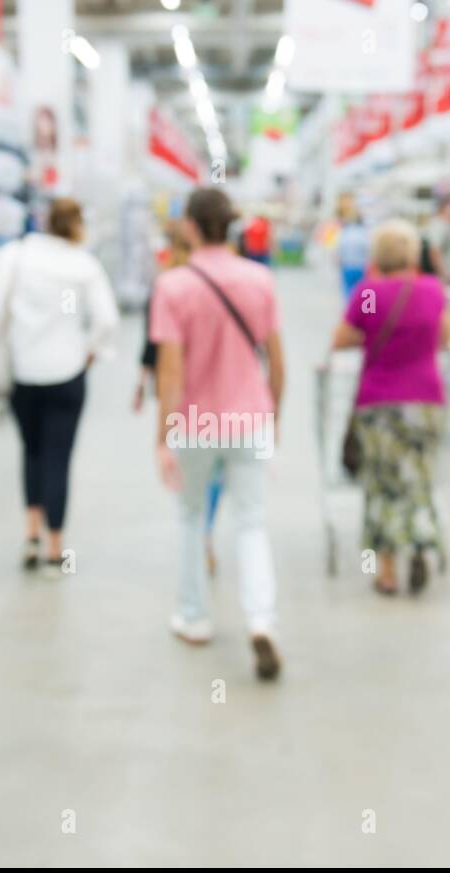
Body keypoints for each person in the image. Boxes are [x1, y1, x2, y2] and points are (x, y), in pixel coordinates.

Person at [151, 188, 286, 680]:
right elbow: (277, 361)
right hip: (249, 417)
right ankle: (262, 621)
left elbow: (169, 370)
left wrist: (162, 435)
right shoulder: (260, 280)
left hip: (196, 420)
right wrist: (276, 418)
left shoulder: (173, 287)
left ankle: (195, 617)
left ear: (189, 226)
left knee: (190, 518)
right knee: (251, 522)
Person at [0, 197, 119, 578]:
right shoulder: (83, 265)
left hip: (24, 372)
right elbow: (106, 320)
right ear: (76, 225)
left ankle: (30, 533)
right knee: (59, 457)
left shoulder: (16, 256)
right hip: (67, 373)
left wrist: (3, 341)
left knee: (31, 451)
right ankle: (55, 548)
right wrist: (92, 353)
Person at [330, 219, 450, 597]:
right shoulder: (433, 291)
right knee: (419, 479)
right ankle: (420, 544)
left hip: (379, 400)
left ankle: (386, 570)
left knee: (382, 484)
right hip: (426, 400)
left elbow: (342, 339)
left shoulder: (369, 293)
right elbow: (445, 335)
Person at [135, 221, 225, 576]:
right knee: (216, 468)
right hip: (217, 388)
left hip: (179, 392)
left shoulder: (165, 287)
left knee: (189, 467)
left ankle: (196, 528)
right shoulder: (220, 281)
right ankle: (204, 530)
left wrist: (144, 380)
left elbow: (152, 345)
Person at [337, 212, 370, 300]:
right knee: (362, 290)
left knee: (348, 289)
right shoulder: (364, 233)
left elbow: (339, 249)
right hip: (361, 266)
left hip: (347, 265)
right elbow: (368, 250)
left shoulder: (344, 232)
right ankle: (360, 308)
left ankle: (350, 306)